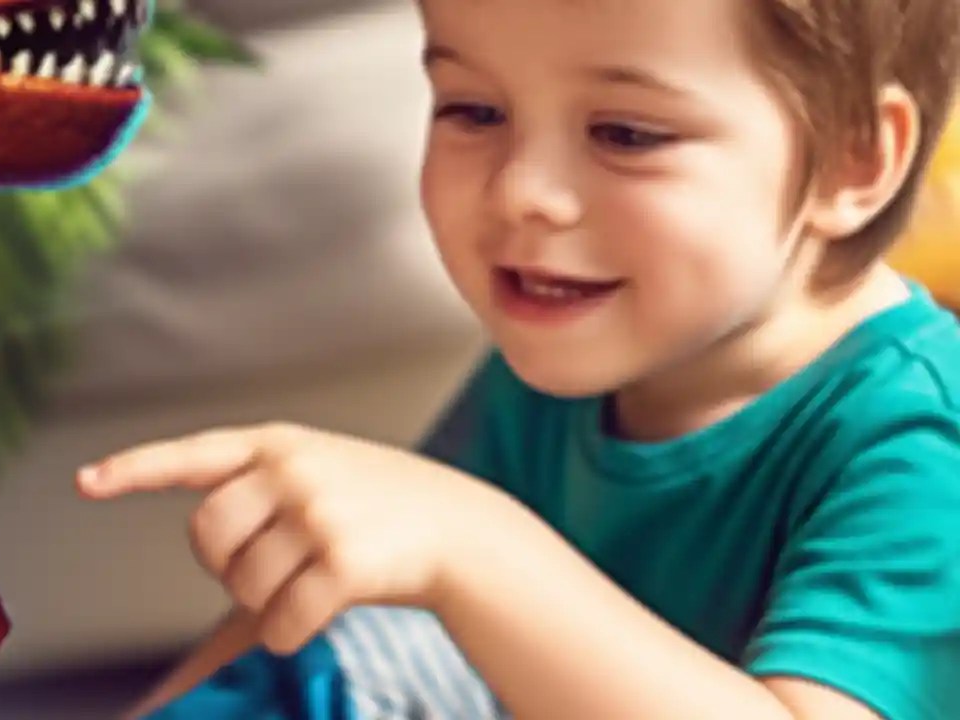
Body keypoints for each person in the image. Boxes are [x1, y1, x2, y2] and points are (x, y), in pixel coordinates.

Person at [77, 0, 960, 718]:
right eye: (474, 110)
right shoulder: (576, 362)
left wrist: (479, 547)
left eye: (626, 133)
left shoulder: (922, 441)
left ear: (856, 159)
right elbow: (332, 610)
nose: (521, 193)